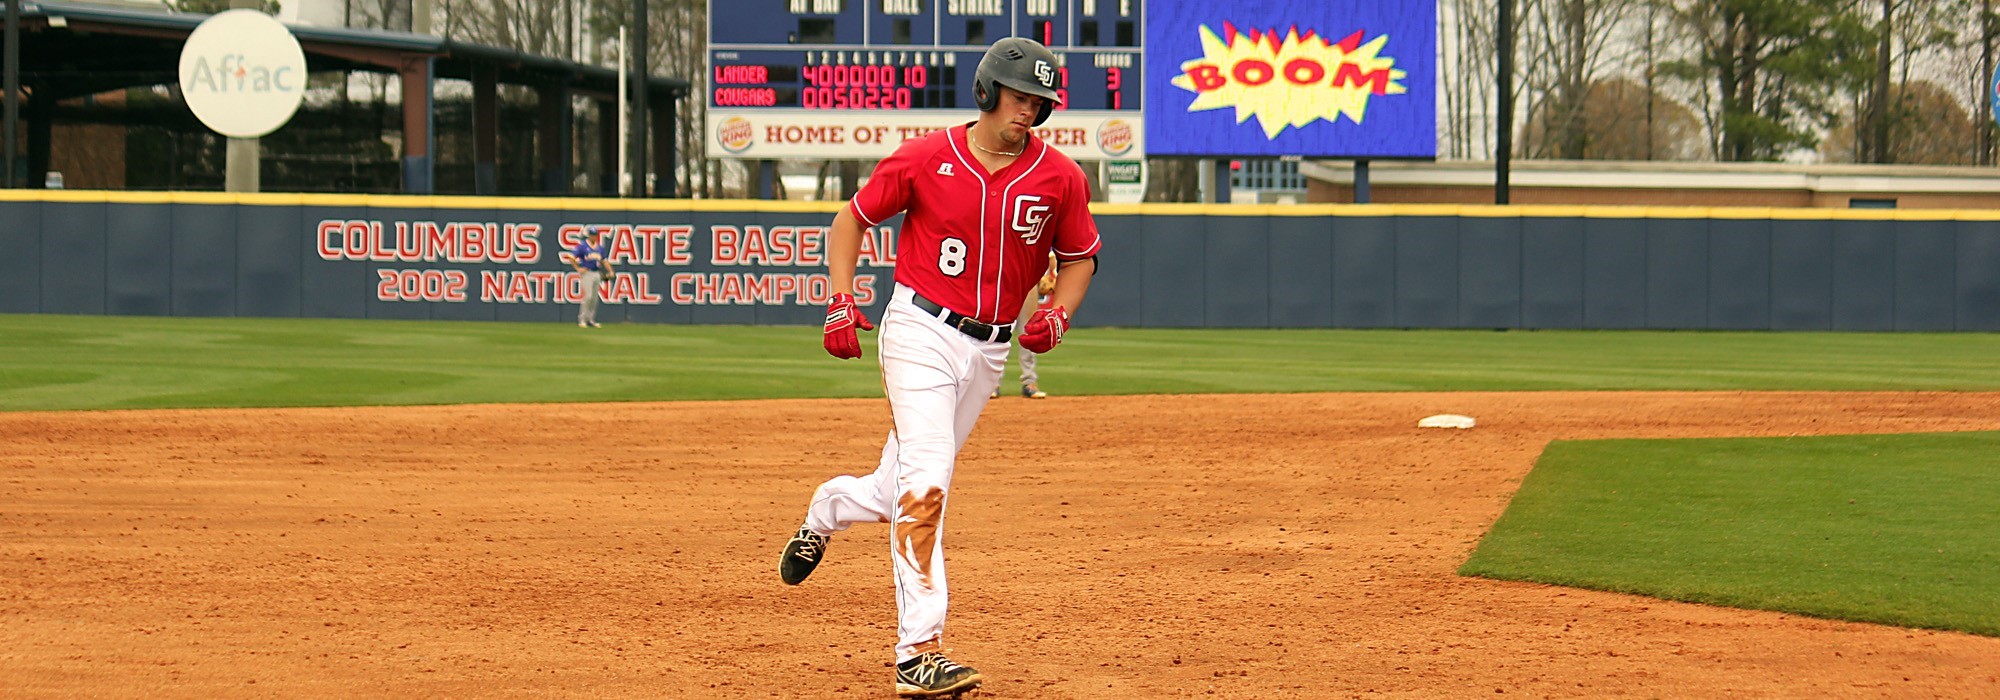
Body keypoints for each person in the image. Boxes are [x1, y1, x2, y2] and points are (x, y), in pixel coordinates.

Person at [779, 36, 1102, 698]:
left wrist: (1061, 314)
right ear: (986, 92)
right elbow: (851, 220)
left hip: (989, 350)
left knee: (895, 484)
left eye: (1039, 103)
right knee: (928, 482)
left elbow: (1079, 258)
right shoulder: (928, 156)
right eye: (1018, 97)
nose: (1028, 112)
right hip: (919, 329)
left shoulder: (1060, 176)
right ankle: (917, 651)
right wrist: (841, 300)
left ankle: (826, 509)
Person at [994, 253, 1058, 399]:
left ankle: (1030, 382)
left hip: (1028, 284)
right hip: (1003, 284)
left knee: (1028, 332)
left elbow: (1050, 256)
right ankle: (993, 384)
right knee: (999, 333)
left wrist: (1050, 275)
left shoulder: (1033, 231)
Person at [569, 228, 612, 328]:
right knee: (588, 296)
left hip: (597, 273)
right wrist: (578, 268)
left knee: (594, 298)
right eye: (592, 234)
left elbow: (604, 261)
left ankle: (590, 320)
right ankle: (582, 320)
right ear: (588, 235)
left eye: (595, 234)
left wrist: (610, 271)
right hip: (587, 273)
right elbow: (571, 257)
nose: (594, 236)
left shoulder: (599, 248)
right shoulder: (582, 246)